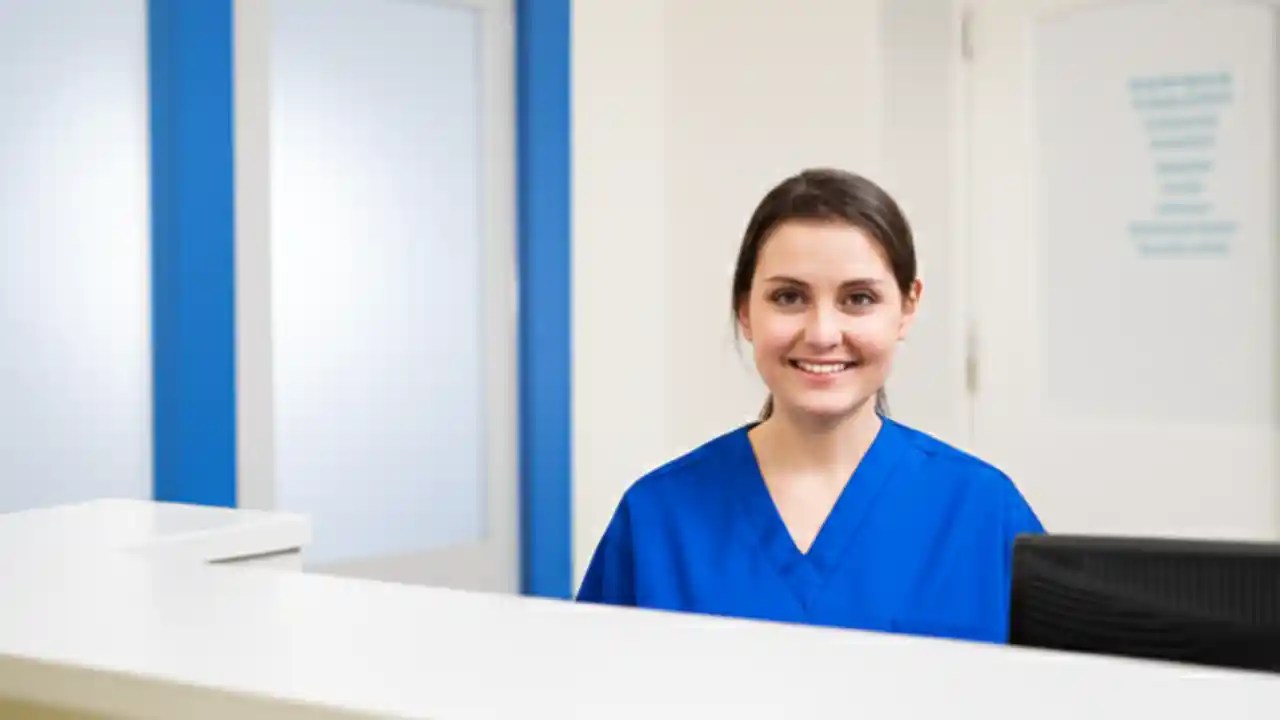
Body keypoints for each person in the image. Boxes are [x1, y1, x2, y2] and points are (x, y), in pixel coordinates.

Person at [575, 168, 1044, 643]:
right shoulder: (658, 520)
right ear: (744, 310)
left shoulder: (983, 513)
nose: (822, 334)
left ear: (907, 306)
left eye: (859, 298)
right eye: (789, 297)